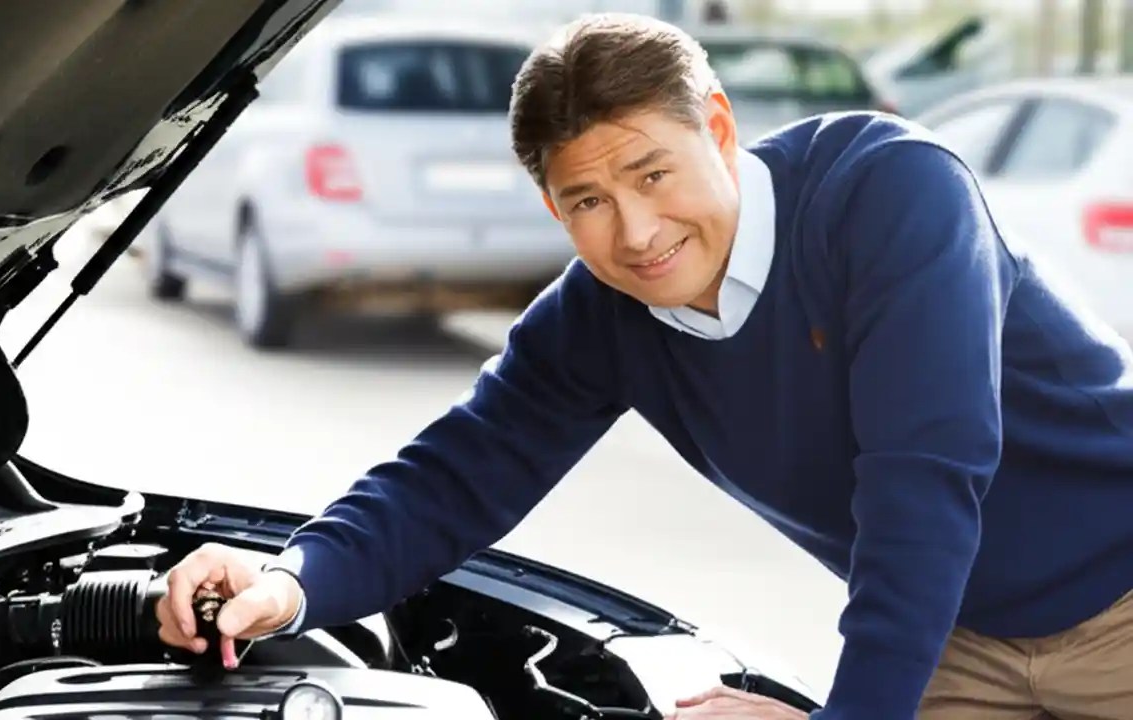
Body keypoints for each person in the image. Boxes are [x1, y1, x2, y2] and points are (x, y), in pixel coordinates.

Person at [154, 13, 1133, 719]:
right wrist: (287, 583)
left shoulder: (884, 190)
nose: (635, 232)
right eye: (584, 201)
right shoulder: (595, 319)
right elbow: (447, 483)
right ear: (551, 209)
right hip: (955, 644)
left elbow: (922, 482)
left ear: (714, 127)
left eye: (651, 174)